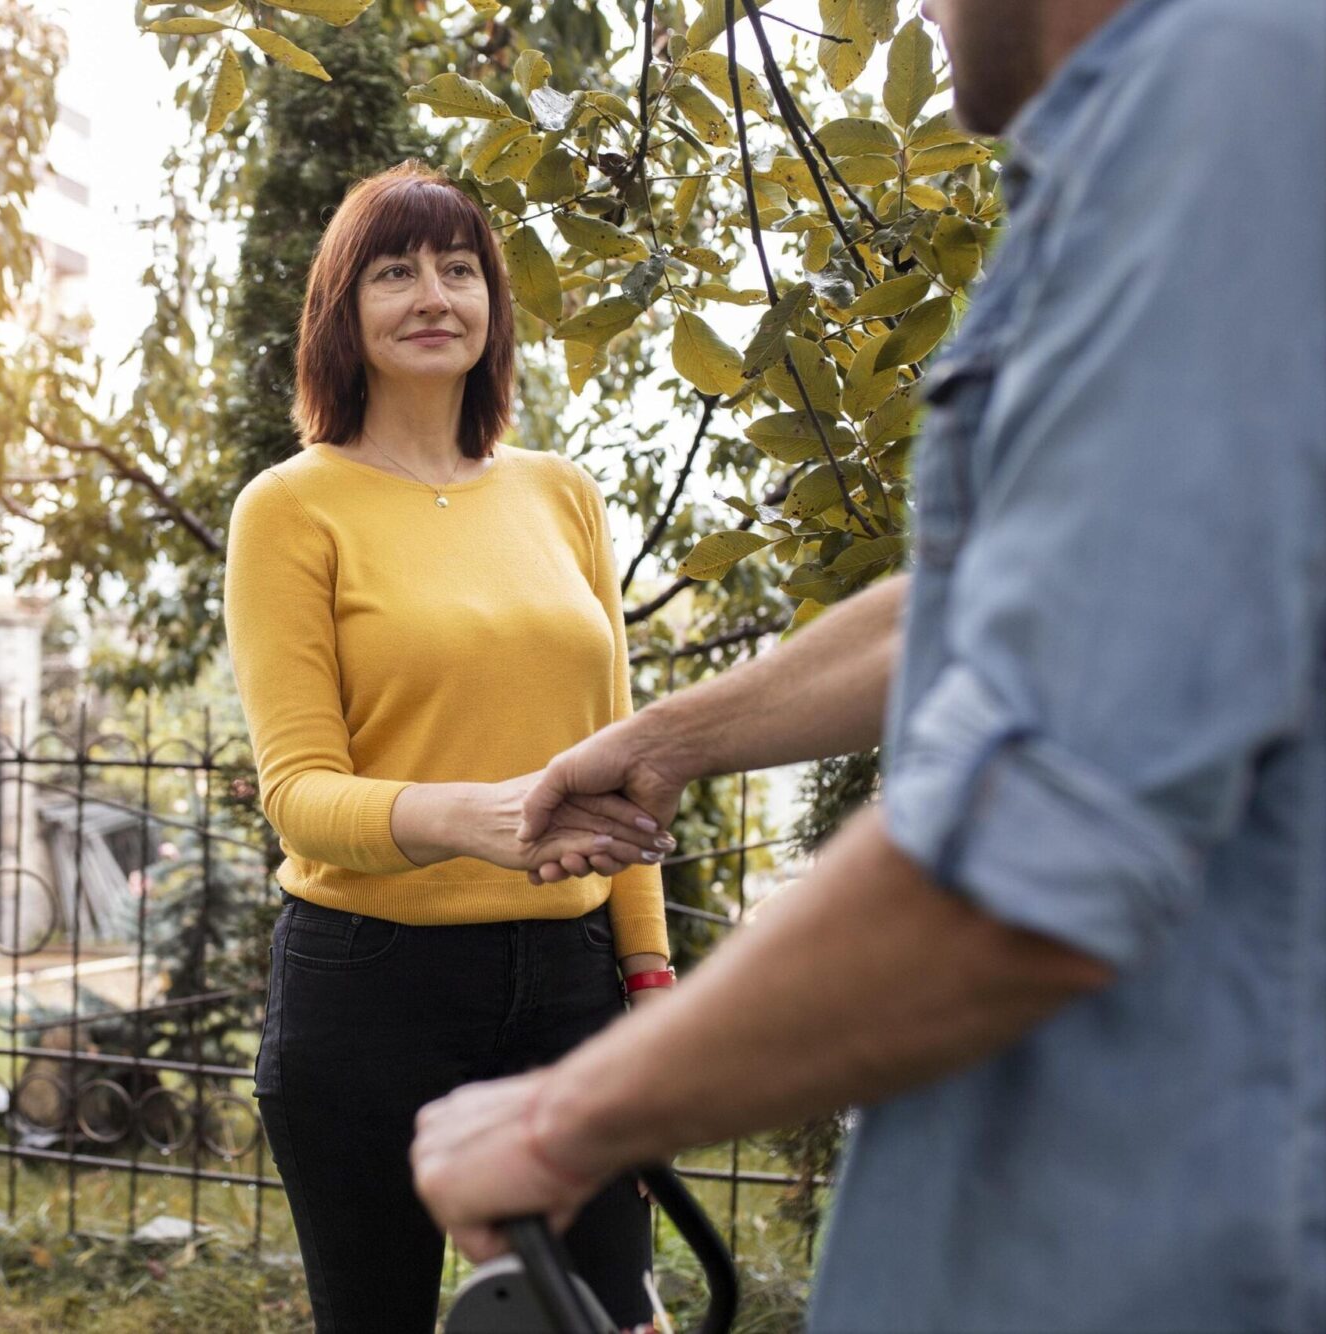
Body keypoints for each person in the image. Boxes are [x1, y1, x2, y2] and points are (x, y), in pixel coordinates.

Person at [410, 1, 1326, 1330]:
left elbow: (1035, 841)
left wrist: (567, 1117)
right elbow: (1002, 594)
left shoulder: (1227, 90)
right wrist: (671, 741)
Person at [224, 160, 677, 1332]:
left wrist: (648, 988)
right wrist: (472, 816)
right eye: (394, 271)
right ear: (345, 310)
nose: (432, 293)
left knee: (604, 1320)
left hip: (572, 986)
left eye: (458, 268)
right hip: (371, 989)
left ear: (490, 304)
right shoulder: (290, 507)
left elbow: (616, 762)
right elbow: (301, 797)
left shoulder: (560, 495)